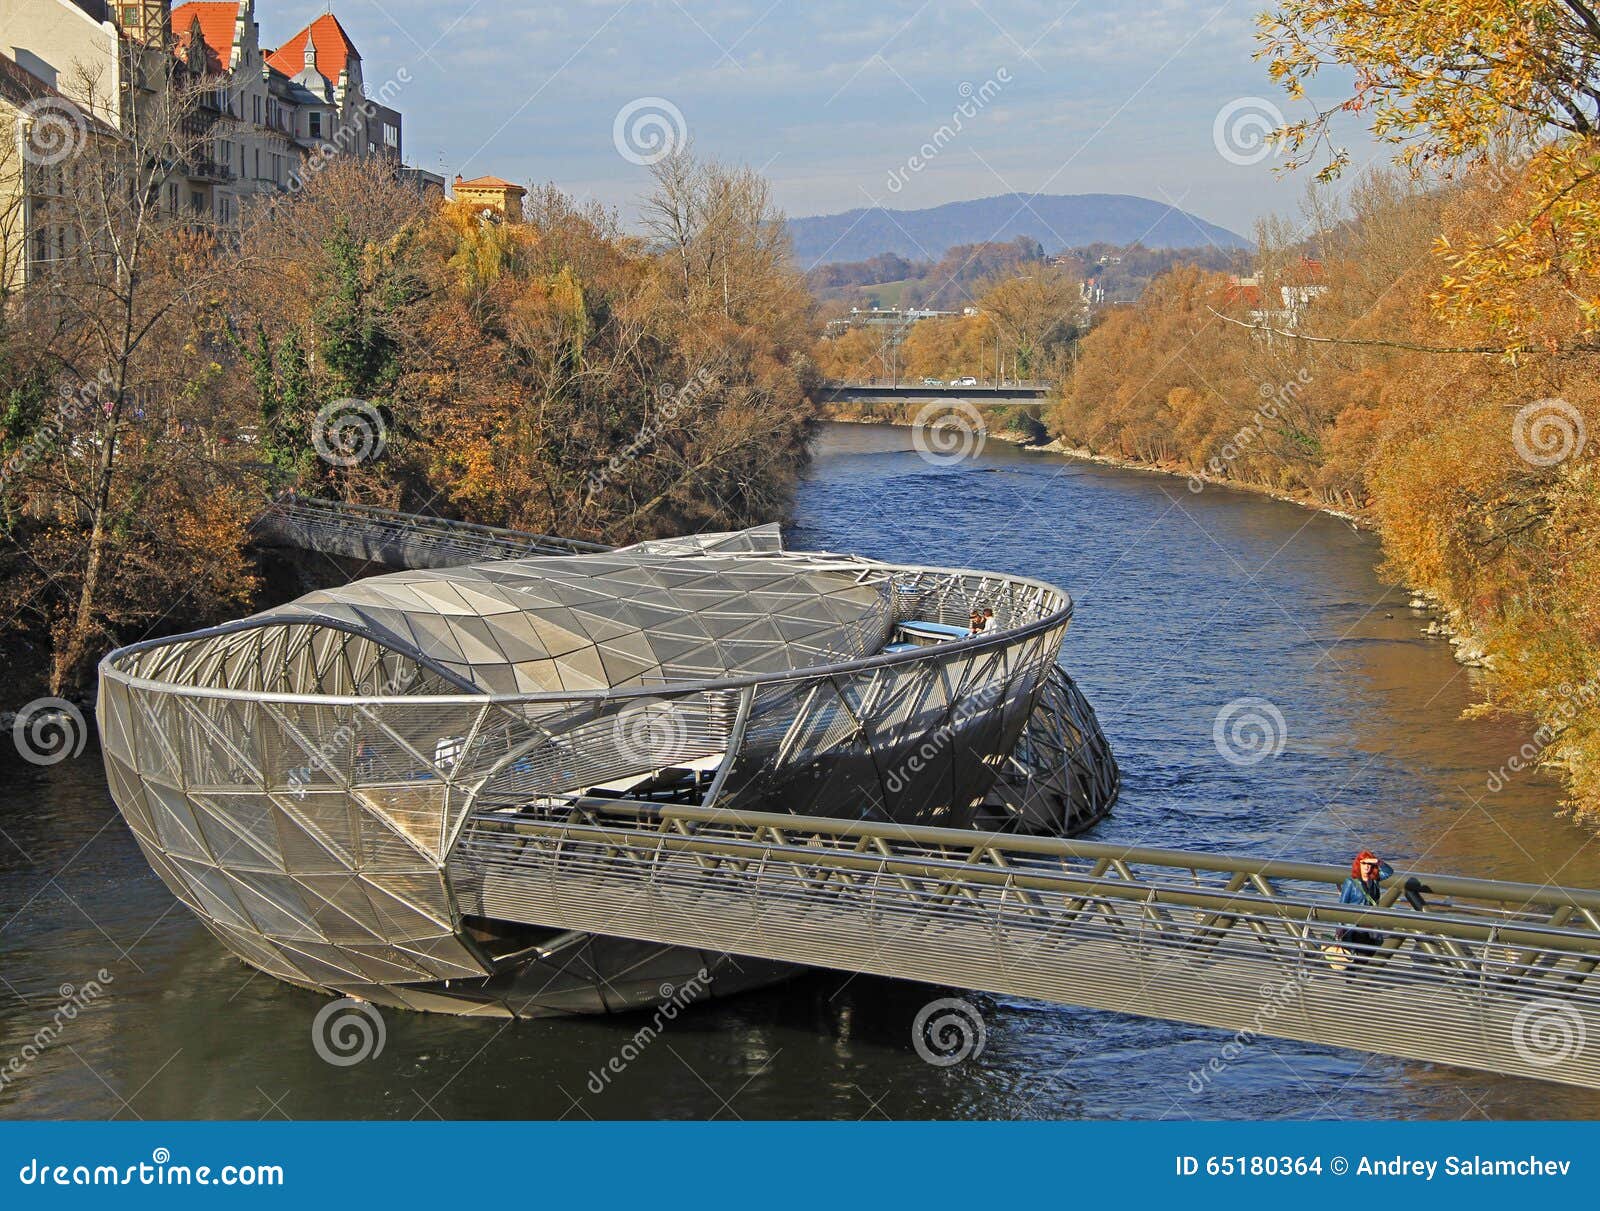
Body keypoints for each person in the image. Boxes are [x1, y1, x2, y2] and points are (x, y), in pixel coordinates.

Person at [1336, 849, 1393, 957]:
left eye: (1369, 863)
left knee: (1372, 950)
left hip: (1370, 925)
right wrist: (1339, 926)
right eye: (1363, 863)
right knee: (1358, 955)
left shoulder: (1374, 880)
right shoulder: (1350, 882)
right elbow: (1342, 905)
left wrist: (1379, 862)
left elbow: (1389, 872)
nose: (1366, 866)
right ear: (1358, 864)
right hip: (1354, 926)